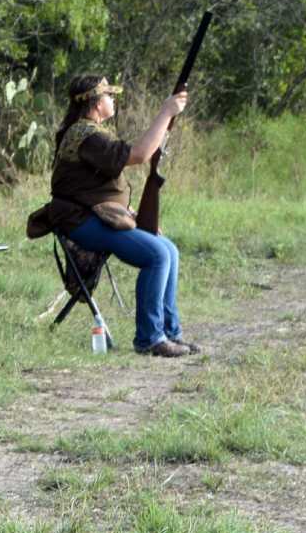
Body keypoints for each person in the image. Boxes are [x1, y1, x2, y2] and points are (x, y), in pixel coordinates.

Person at [26, 75, 196, 357]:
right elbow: (140, 154)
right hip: (80, 221)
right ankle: (150, 339)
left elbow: (96, 187)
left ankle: (170, 333)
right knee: (157, 255)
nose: (113, 99)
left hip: (95, 216)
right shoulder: (86, 135)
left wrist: (130, 213)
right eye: (108, 95)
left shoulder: (89, 132)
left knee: (169, 250)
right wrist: (166, 112)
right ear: (95, 103)